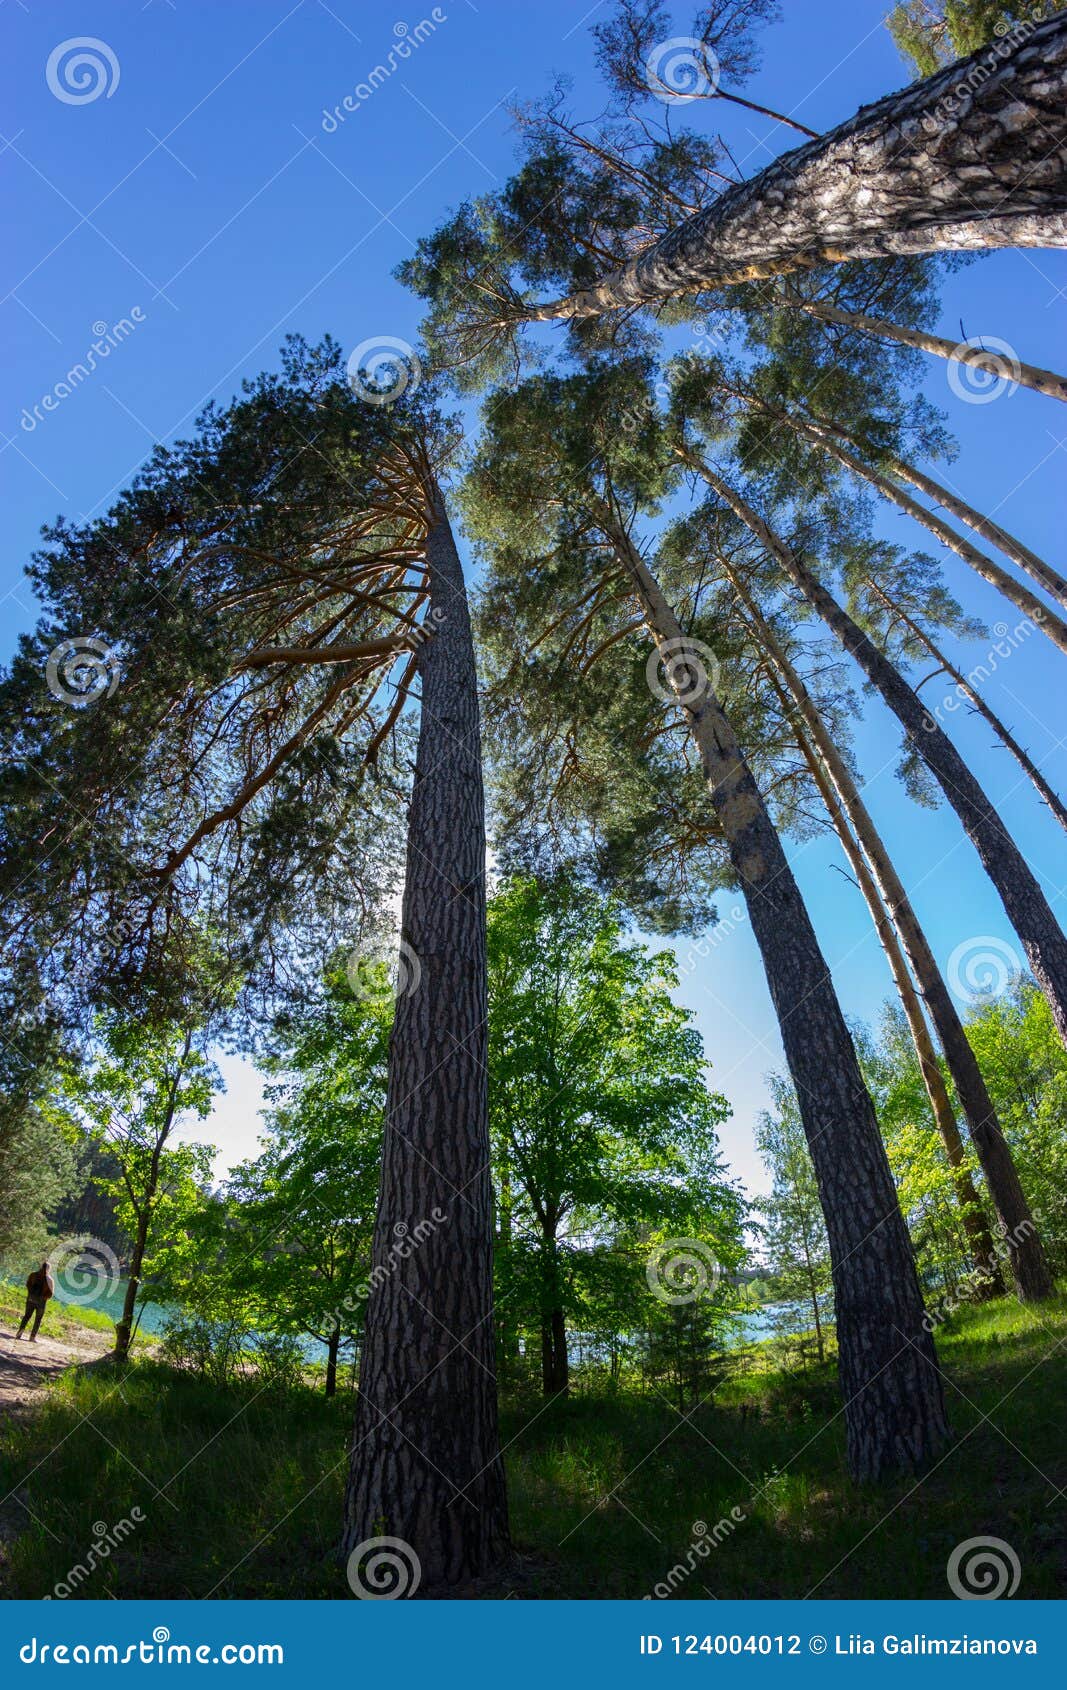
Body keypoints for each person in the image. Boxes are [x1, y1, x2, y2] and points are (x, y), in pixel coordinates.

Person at [15, 1260, 55, 1342]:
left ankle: (19, 1333)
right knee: (38, 1320)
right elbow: (51, 1293)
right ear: (48, 1269)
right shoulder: (50, 1279)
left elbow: (28, 1285)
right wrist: (44, 1298)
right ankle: (32, 1337)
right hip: (41, 1302)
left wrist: (31, 1294)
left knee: (26, 1316)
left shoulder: (32, 1275)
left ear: (41, 1267)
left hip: (30, 1299)